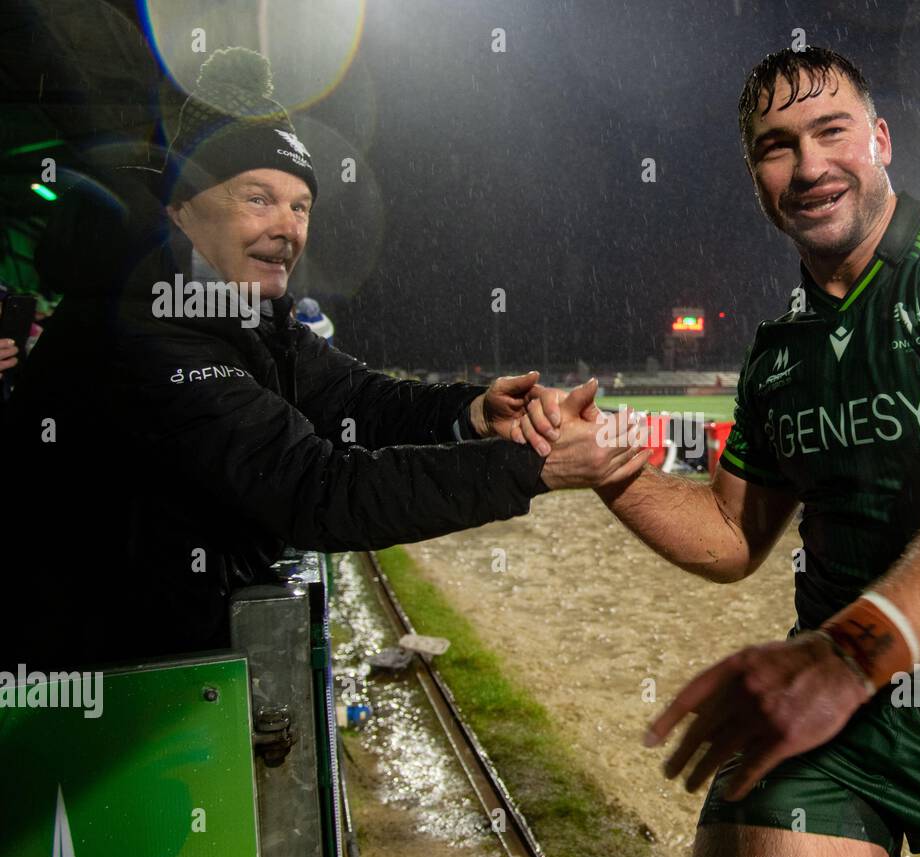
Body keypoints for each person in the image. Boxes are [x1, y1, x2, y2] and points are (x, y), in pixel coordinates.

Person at [525, 47, 920, 857]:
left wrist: (849, 655)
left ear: (883, 141)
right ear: (756, 178)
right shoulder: (777, 351)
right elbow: (731, 531)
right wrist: (612, 467)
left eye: (833, 130)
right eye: (776, 145)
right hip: (828, 717)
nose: (810, 165)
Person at [0, 47, 648, 671]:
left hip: (163, 667)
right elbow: (317, 490)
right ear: (182, 209)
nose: (288, 227)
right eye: (257, 197)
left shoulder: (240, 311)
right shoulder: (146, 323)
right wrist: (532, 464)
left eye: (300, 205)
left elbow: (359, 400)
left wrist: (474, 412)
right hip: (84, 694)